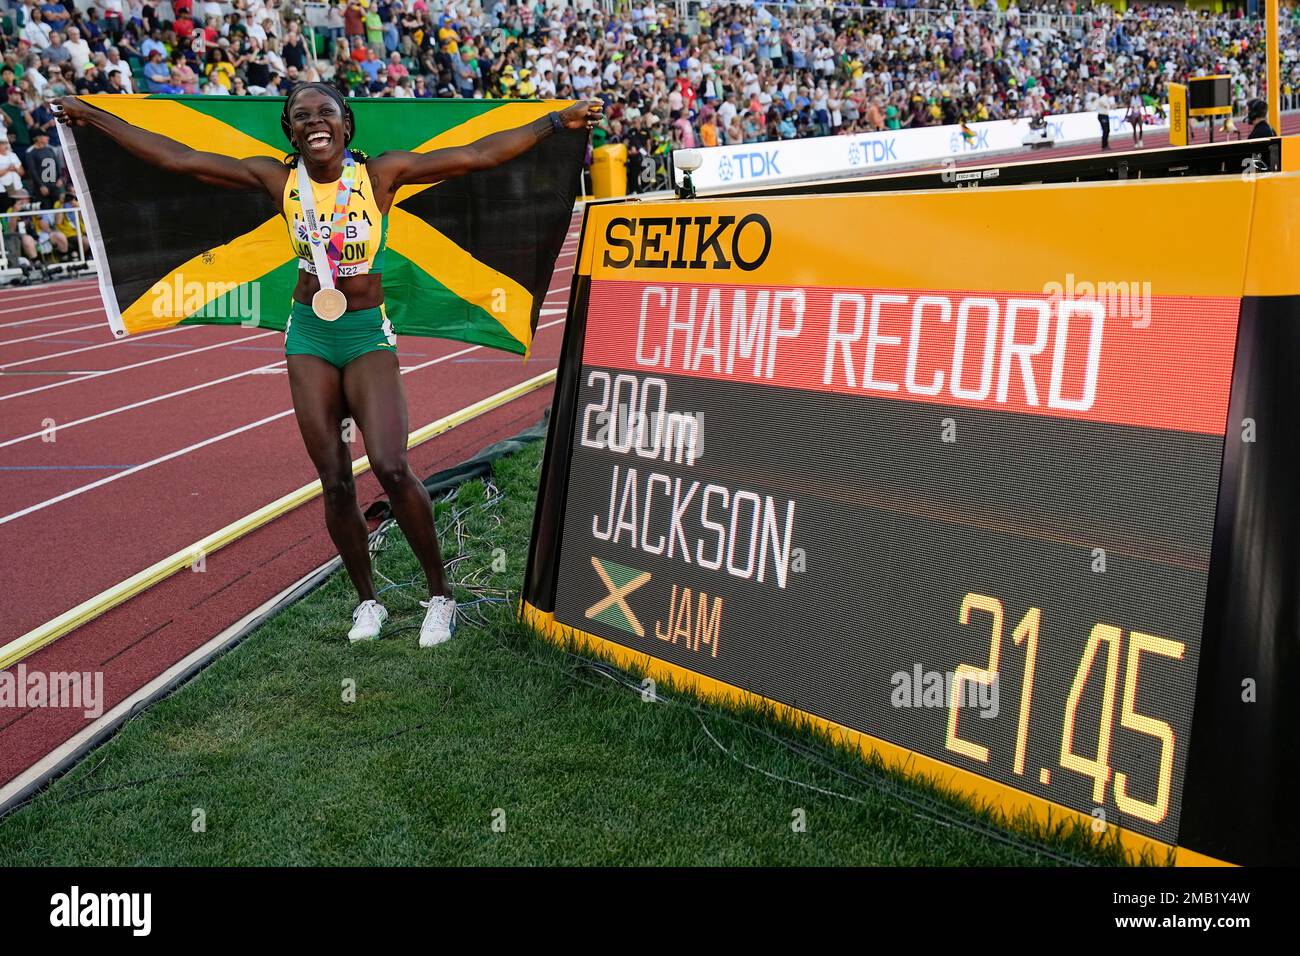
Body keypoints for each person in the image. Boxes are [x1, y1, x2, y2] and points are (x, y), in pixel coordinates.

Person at [54, 86, 603, 646]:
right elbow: (179, 159)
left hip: (365, 334)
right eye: (301, 117)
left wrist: (555, 123)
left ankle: (440, 595)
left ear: (347, 123)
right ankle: (369, 602)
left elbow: (479, 155)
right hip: (310, 336)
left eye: (326, 113)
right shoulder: (276, 178)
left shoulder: (382, 174)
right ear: (290, 131)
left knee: (391, 464)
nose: (314, 122)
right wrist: (94, 118)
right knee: (335, 480)